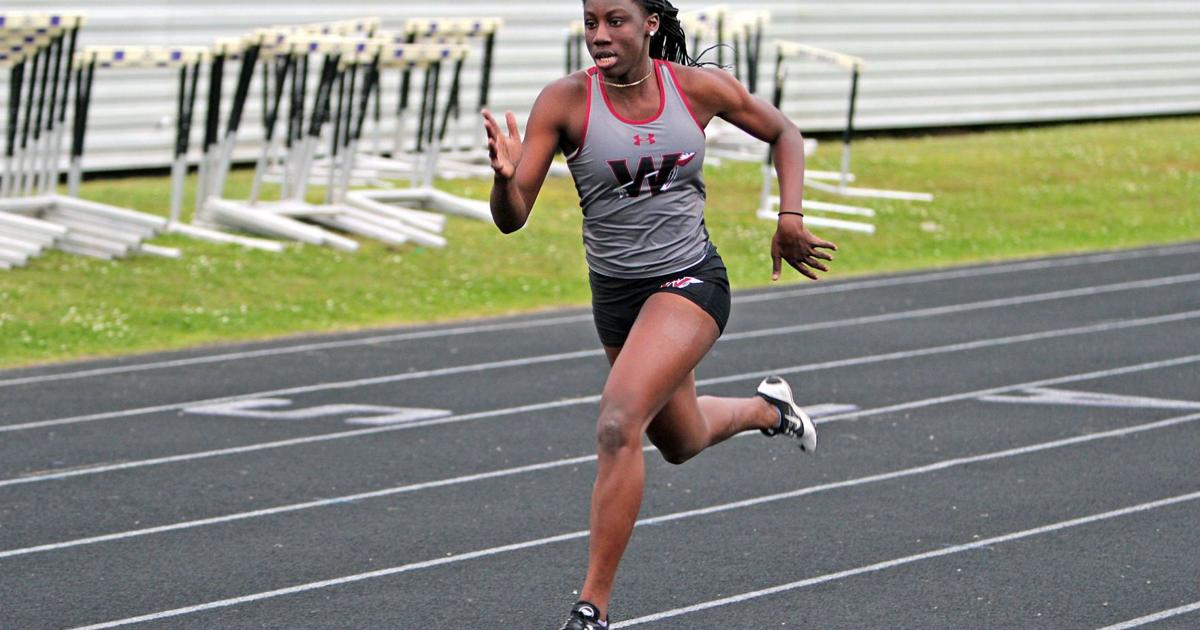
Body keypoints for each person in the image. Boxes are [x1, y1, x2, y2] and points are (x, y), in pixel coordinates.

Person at [482, 0, 837, 627]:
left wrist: (790, 217)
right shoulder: (564, 103)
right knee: (679, 439)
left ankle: (591, 608)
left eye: (615, 20)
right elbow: (513, 220)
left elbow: (784, 132)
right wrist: (505, 180)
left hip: (690, 279)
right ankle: (768, 409)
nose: (599, 35)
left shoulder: (696, 89)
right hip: (617, 295)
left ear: (649, 22)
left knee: (619, 421)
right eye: (591, 21)